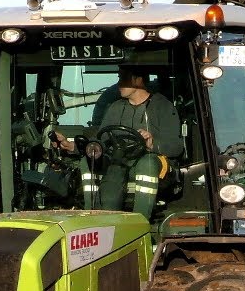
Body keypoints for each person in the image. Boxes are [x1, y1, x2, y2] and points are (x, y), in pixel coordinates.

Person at [56, 66, 183, 217]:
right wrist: (72, 146)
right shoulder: (115, 108)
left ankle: (140, 220)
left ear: (138, 80)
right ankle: (94, 217)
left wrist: (151, 144)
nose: (119, 84)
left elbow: (176, 147)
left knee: (147, 163)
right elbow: (101, 141)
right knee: (88, 161)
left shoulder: (163, 106)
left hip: (152, 164)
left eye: (123, 79)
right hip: (119, 162)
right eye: (119, 78)